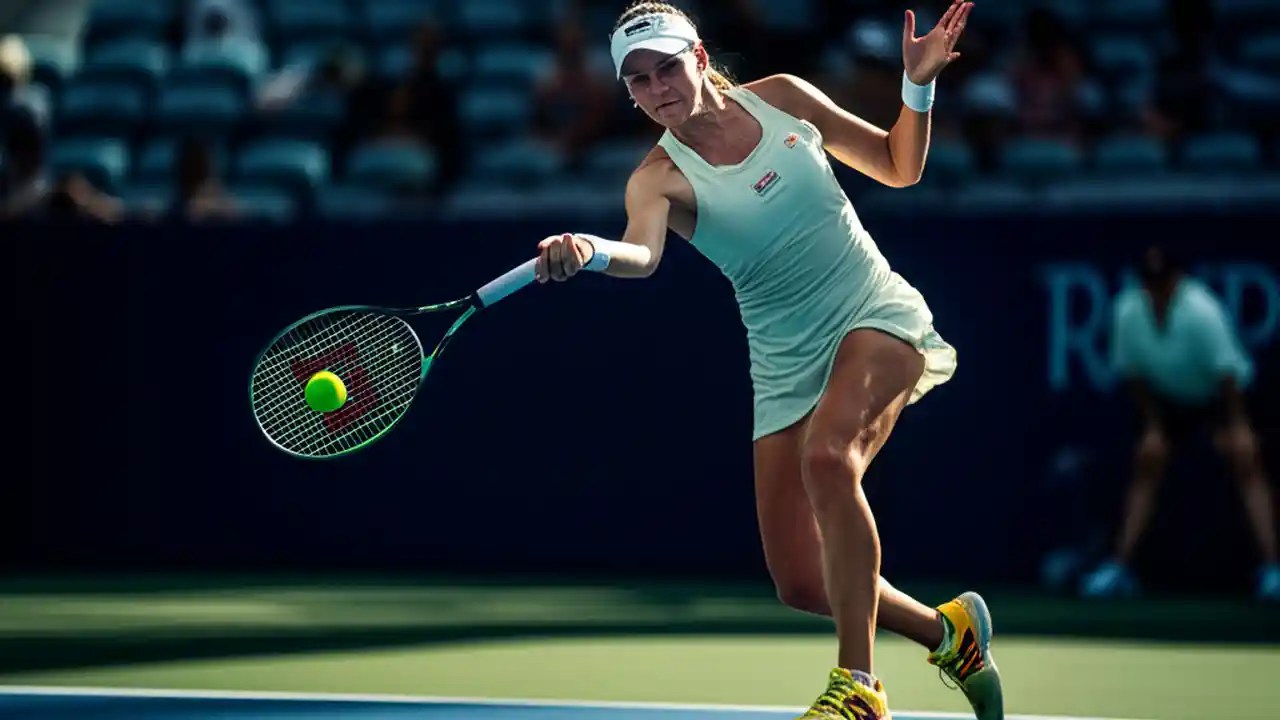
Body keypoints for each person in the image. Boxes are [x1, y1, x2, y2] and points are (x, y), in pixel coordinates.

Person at [532, 3, 1002, 719]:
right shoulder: (656, 180)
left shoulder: (782, 98)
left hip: (873, 315)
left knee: (828, 460)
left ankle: (859, 688)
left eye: (666, 67)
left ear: (698, 55)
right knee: (804, 581)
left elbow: (898, 165)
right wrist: (590, 252)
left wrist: (918, 88)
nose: (657, 88)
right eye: (638, 81)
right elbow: (642, 255)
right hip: (784, 360)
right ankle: (950, 635)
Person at [1082, 244, 1280, 601]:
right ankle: (1118, 568)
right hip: (1167, 403)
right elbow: (1135, 376)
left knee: (1246, 460)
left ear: (1178, 279)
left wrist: (1237, 427)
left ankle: (1273, 569)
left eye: (1162, 281)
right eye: (1148, 281)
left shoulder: (1203, 311)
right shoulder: (1128, 311)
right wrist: (1154, 428)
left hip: (1220, 399)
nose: (1155, 289)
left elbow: (1228, 375)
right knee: (1147, 460)